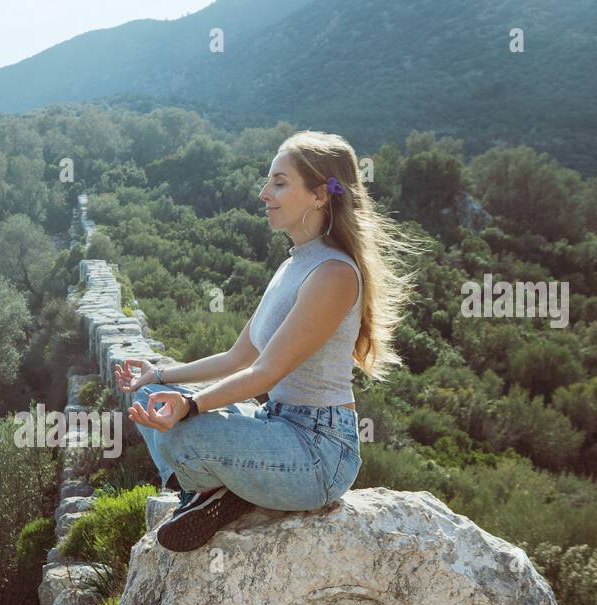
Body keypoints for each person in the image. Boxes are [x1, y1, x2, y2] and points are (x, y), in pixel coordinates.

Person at [116, 130, 422, 552]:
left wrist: (189, 406)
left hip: (318, 452)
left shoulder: (333, 274)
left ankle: (217, 492)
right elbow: (238, 356)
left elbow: (265, 372)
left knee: (179, 434)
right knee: (149, 395)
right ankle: (219, 493)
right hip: (275, 425)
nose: (264, 193)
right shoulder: (292, 266)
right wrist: (161, 373)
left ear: (319, 195)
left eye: (279, 182)